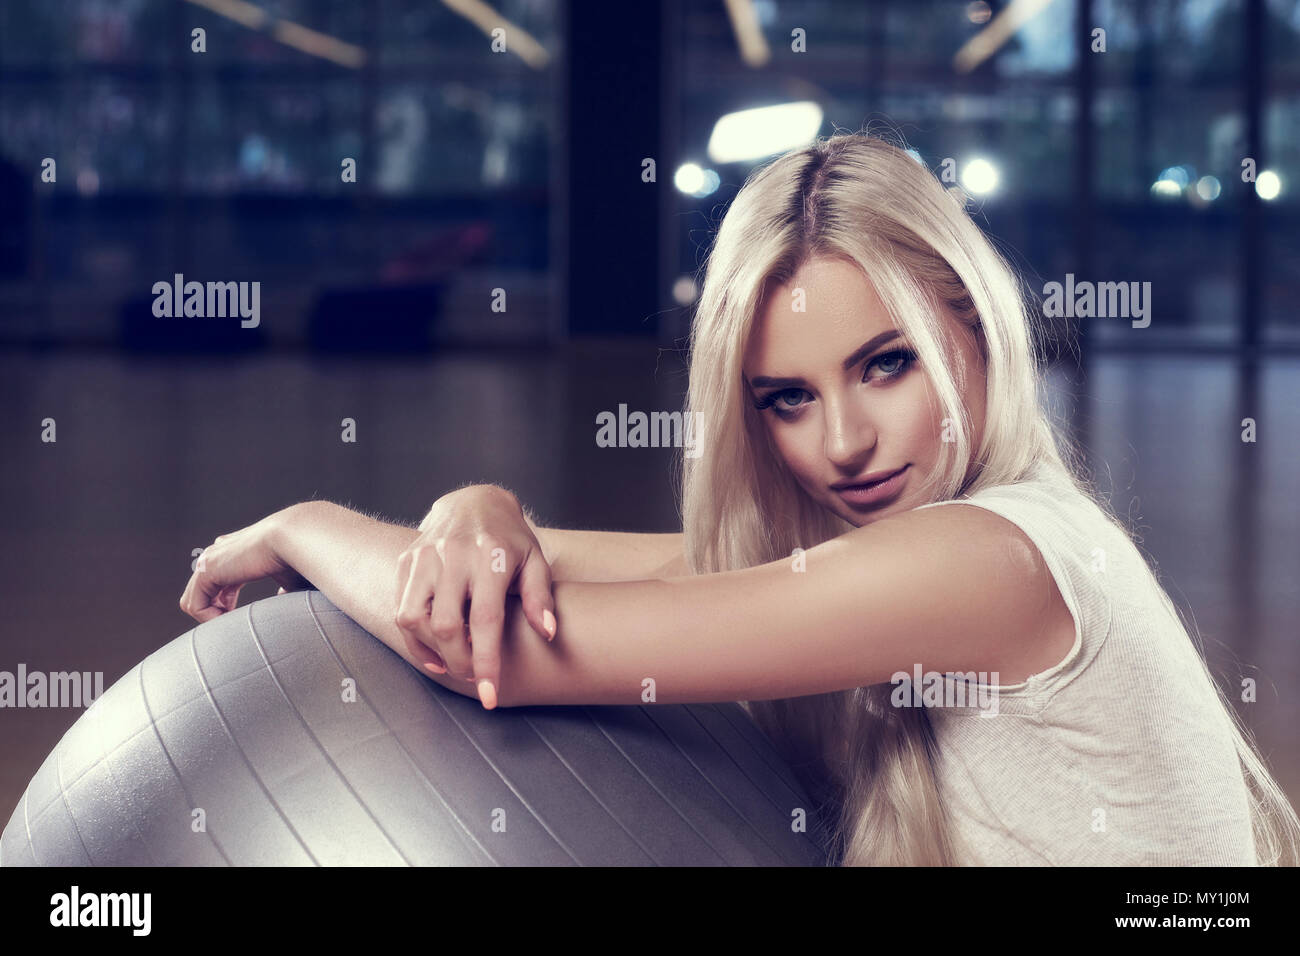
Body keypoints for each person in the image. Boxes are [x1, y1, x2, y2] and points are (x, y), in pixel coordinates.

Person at [179, 132, 1299, 866]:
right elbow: (624, 568)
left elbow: (496, 652)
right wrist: (473, 506)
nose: (844, 442)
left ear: (969, 324)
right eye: (785, 397)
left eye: (884, 363)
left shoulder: (988, 559)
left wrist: (300, 525)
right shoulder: (986, 530)